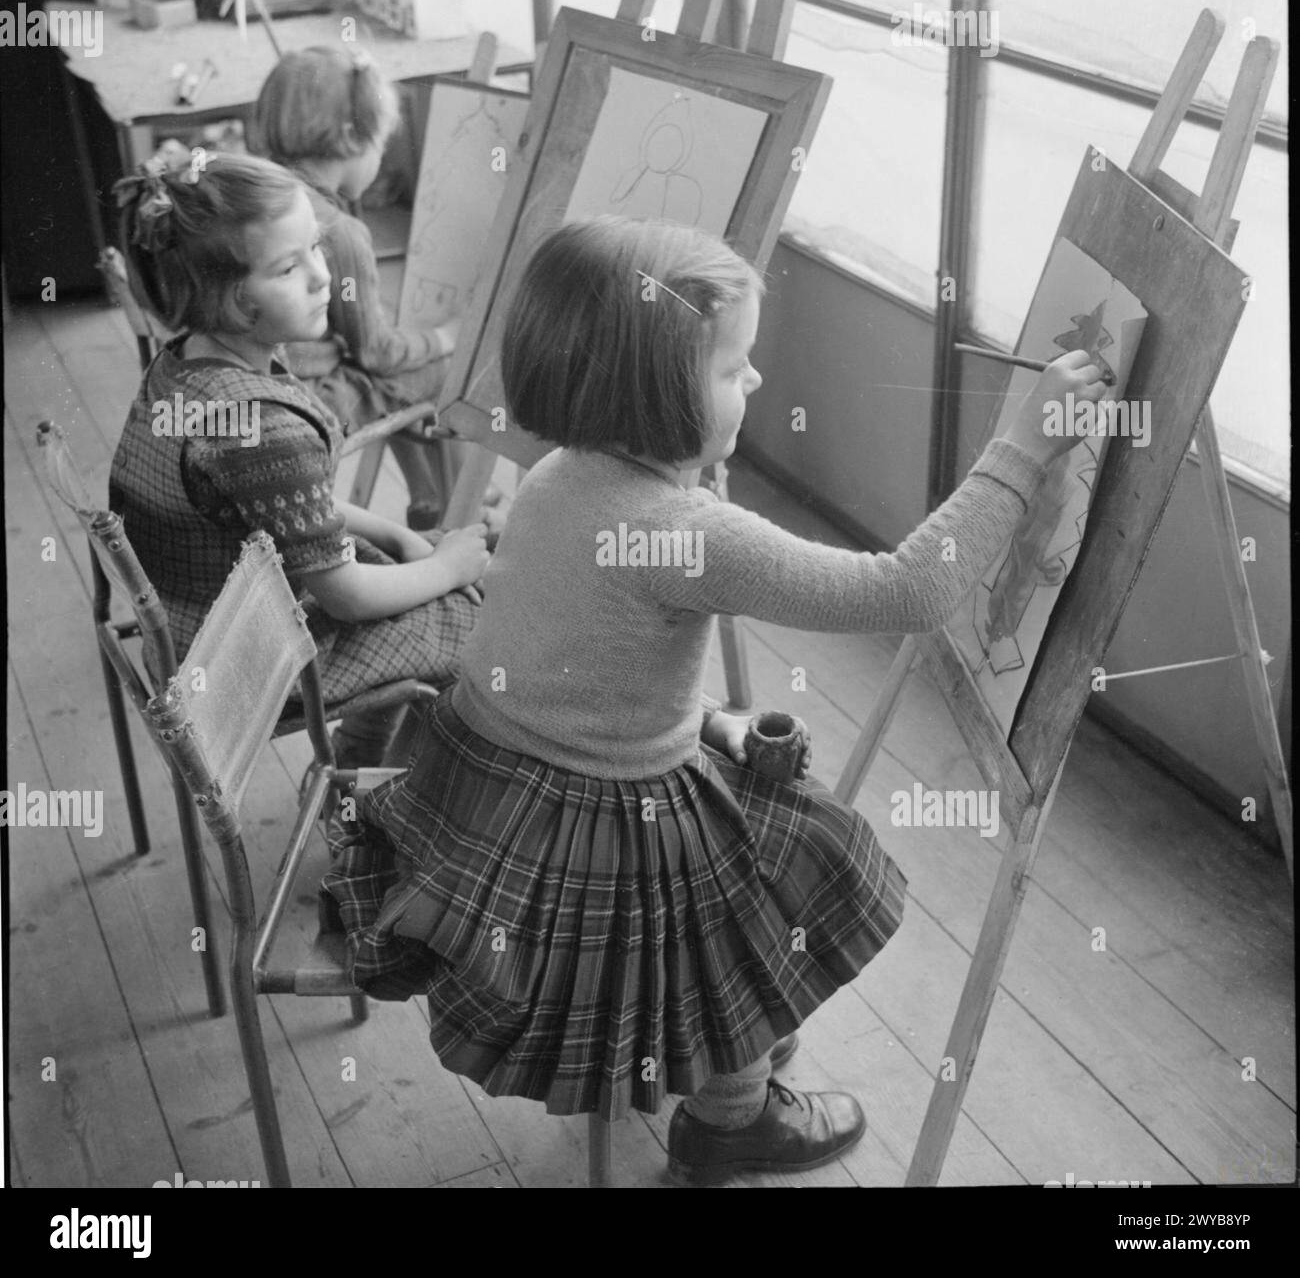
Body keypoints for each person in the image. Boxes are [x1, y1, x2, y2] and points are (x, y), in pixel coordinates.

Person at [324, 215, 1111, 1183]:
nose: (758, 382)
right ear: (658, 395)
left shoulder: (555, 479)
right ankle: (730, 1115)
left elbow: (580, 670)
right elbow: (907, 587)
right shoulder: (683, 529)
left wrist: (705, 722)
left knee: (758, 825)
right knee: (770, 880)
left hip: (493, 797)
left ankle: (718, 1057)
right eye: (736, 368)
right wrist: (1021, 444)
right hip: (585, 836)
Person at [108, 149, 488, 767]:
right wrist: (446, 568)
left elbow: (290, 507)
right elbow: (350, 600)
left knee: (410, 569)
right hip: (248, 667)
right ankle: (398, 803)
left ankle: (359, 764)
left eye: (317, 247)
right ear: (235, 302)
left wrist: (397, 532)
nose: (322, 277)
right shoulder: (259, 428)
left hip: (202, 629)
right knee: (477, 626)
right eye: (289, 267)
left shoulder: (184, 362)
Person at [252, 45, 459, 529]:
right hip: (305, 407)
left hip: (262, 389)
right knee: (445, 365)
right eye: (381, 146)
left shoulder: (259, 188)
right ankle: (460, 504)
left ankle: (426, 490)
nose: (381, 159)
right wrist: (445, 336)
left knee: (390, 355)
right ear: (351, 138)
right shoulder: (339, 233)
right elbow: (378, 356)